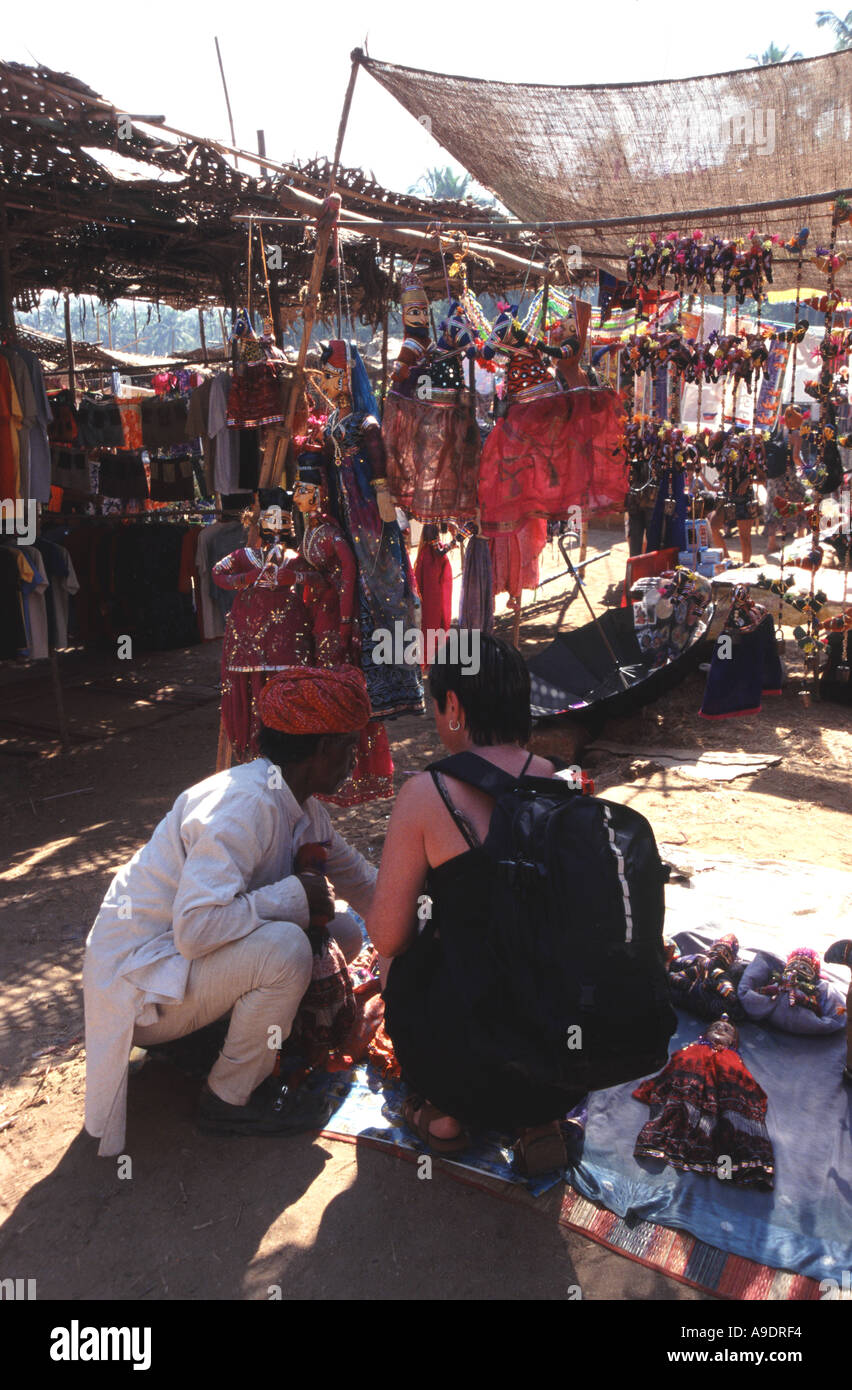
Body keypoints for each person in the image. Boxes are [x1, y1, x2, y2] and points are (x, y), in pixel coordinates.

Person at [83, 666, 377, 1156]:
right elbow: (195, 930)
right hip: (141, 987)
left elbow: (365, 886)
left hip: (176, 973)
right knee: (287, 950)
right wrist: (291, 898)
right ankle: (230, 1098)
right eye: (349, 747)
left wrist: (424, 920)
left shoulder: (297, 804)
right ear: (323, 750)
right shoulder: (245, 804)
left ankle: (212, 1041)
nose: (355, 760)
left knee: (344, 932)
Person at [367, 633, 576, 1175]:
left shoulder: (426, 794)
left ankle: (441, 1112)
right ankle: (537, 1121)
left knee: (391, 955)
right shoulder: (562, 785)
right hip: (557, 1061)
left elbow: (387, 936)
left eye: (438, 704)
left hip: (460, 1058)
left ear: (454, 707)